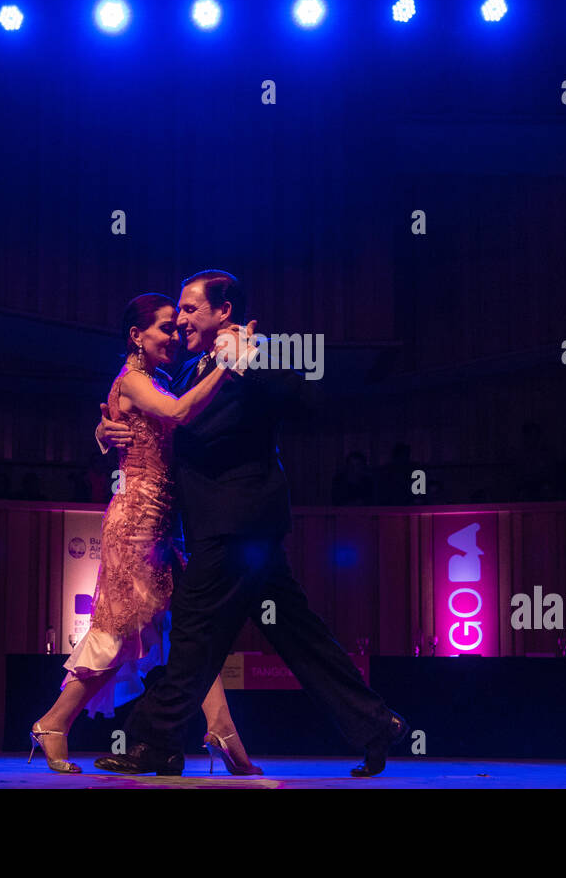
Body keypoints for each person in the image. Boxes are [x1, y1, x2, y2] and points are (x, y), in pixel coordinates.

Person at [93, 270, 407, 777]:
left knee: (195, 629)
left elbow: (310, 401)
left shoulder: (247, 361)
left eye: (191, 310)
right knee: (298, 635)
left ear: (224, 313)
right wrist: (108, 430)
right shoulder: (192, 371)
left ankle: (155, 743)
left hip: (236, 526)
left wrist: (248, 361)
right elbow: (167, 427)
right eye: (177, 314)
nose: (181, 322)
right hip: (236, 528)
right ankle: (376, 725)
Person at [28, 293, 262, 775]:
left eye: (177, 328)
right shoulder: (136, 379)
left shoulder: (154, 379)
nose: (175, 336)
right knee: (118, 631)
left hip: (163, 524)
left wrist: (103, 427)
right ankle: (53, 721)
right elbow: (176, 415)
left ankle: (221, 729)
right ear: (136, 336)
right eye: (164, 328)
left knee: (195, 633)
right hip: (137, 522)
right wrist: (226, 367)